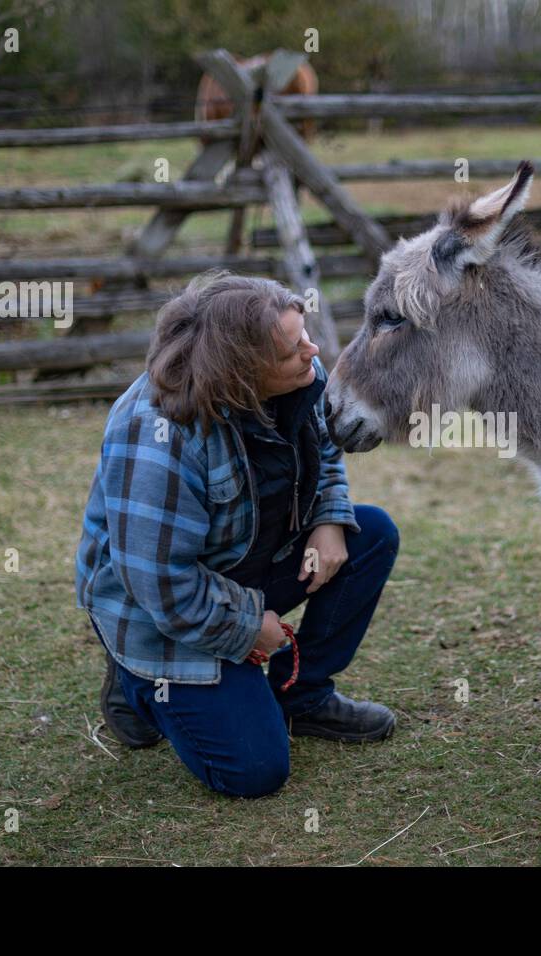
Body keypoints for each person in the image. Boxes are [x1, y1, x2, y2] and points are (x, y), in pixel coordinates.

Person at [74, 272, 399, 799]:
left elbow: (325, 447)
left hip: (245, 563)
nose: (313, 352)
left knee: (373, 533)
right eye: (293, 348)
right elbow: (160, 585)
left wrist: (330, 520)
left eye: (305, 336)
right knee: (254, 772)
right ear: (241, 372)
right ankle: (135, 684)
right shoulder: (157, 437)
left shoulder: (300, 376)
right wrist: (251, 628)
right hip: (159, 613)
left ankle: (303, 696)